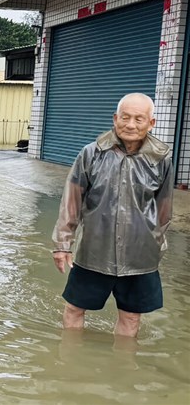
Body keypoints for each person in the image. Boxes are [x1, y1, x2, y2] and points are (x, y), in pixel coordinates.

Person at [52, 92, 173, 338]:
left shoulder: (161, 160)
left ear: (151, 123)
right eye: (125, 117)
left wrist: (156, 247)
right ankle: (70, 359)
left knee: (130, 315)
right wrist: (62, 245)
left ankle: (124, 366)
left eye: (139, 119)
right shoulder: (91, 154)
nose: (130, 124)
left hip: (139, 256)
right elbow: (71, 201)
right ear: (115, 119)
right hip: (93, 251)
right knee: (75, 307)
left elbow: (164, 209)